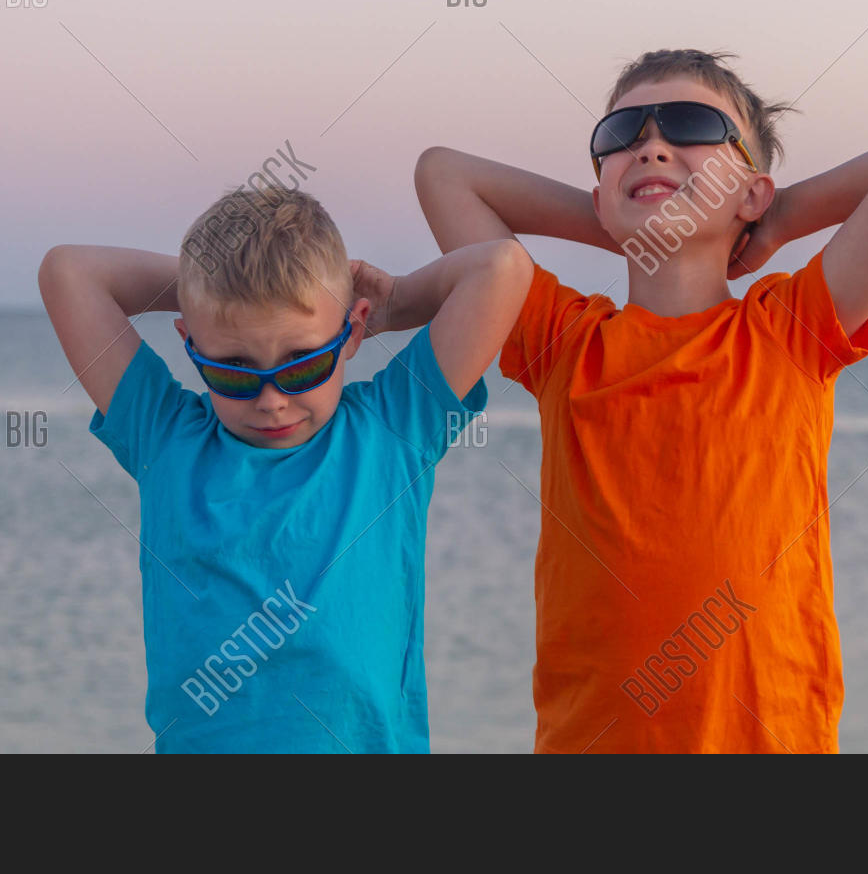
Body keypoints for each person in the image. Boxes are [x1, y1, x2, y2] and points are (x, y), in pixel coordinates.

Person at [415, 49, 868, 752]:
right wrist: (628, 219)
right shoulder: (564, 345)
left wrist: (769, 223)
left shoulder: (788, 329)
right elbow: (444, 174)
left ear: (755, 190)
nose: (650, 144)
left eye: (688, 124)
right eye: (621, 136)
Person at [38, 184, 531, 752]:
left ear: (353, 330)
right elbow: (67, 273)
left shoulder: (394, 427)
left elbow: (503, 267)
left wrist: (394, 298)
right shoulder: (167, 437)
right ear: (189, 343)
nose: (271, 399)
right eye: (233, 370)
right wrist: (209, 282)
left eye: (302, 365)